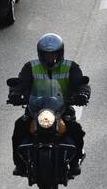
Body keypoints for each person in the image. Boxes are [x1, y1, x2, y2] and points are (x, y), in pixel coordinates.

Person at [10, 33, 88, 175]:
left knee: (76, 129)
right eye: (46, 54)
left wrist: (82, 94)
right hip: (36, 110)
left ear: (60, 53)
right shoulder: (31, 67)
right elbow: (20, 84)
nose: (50, 58)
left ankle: (75, 162)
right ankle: (20, 164)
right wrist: (15, 94)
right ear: (41, 54)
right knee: (19, 127)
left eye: (53, 54)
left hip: (62, 109)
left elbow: (81, 84)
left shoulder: (70, 67)